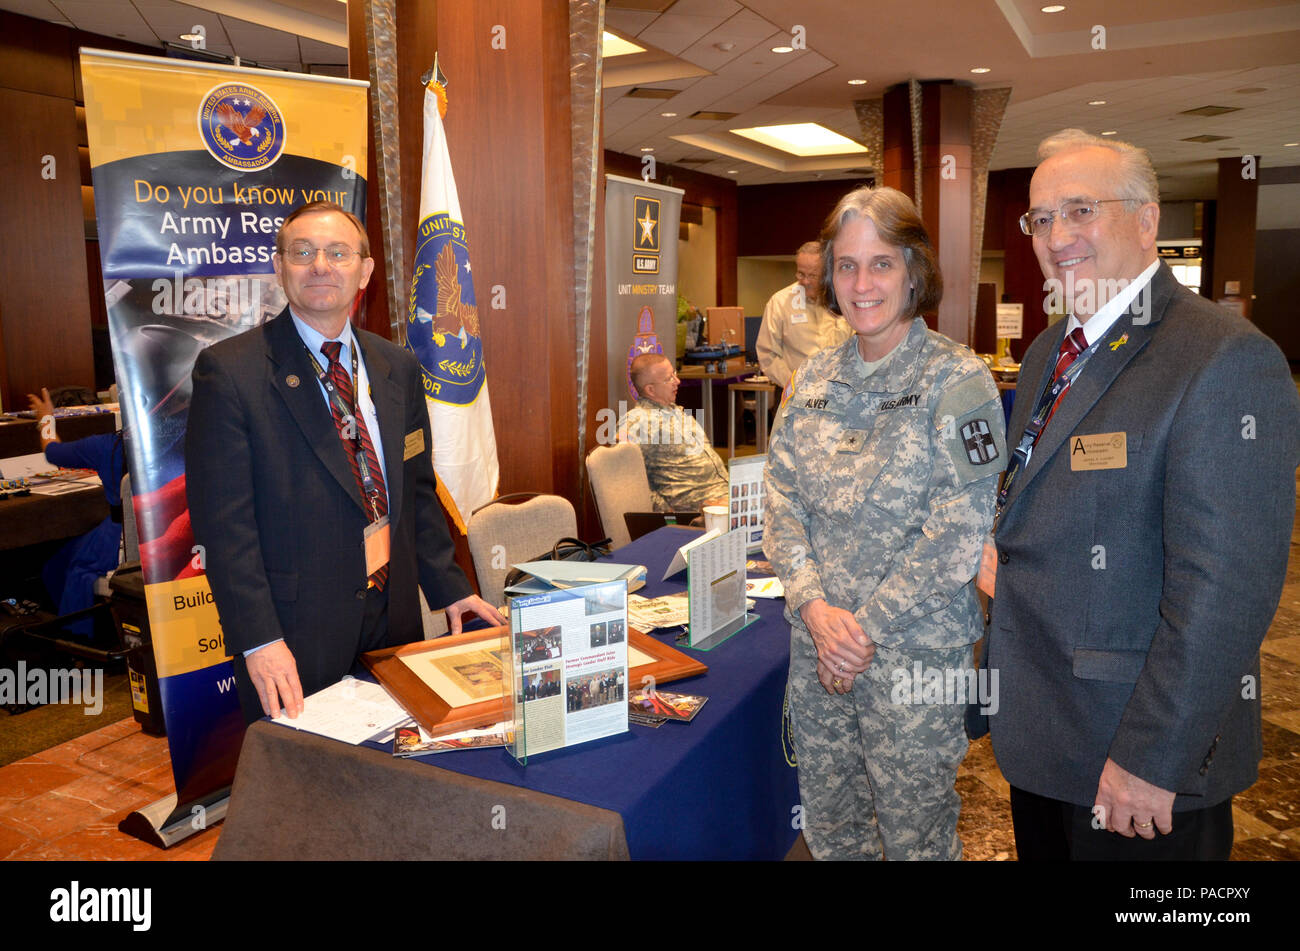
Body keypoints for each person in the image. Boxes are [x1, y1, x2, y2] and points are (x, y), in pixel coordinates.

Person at [979, 129, 1299, 860]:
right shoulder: (1046, 352)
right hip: (1044, 737)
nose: (1058, 236)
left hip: (1135, 763)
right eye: (1041, 217)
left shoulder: (1222, 356)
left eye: (1080, 210)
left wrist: (1155, 758)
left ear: (1147, 219)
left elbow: (1226, 589)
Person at [185, 201, 503, 724]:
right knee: (309, 783)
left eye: (338, 252)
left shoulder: (397, 366)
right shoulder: (229, 372)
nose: (320, 266)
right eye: (302, 252)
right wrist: (259, 639)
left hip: (392, 614)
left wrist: (452, 589)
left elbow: (416, 490)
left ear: (365, 270)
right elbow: (225, 530)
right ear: (279, 266)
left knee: (394, 770)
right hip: (294, 630)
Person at [764, 186, 1006, 860]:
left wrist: (861, 631)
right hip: (819, 654)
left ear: (912, 270)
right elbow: (780, 499)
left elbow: (959, 533)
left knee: (916, 841)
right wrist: (815, 610)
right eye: (846, 265)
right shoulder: (811, 378)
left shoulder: (959, 381)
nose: (862, 283)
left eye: (881, 264)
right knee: (833, 833)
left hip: (915, 663)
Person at [25, 387, 126, 631]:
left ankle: (76, 641)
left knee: (61, 567)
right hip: (167, 536)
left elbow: (52, 451)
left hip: (118, 539)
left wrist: (46, 419)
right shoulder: (184, 441)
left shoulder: (106, 445)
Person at [618, 353, 729, 512]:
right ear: (650, 389)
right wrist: (666, 512)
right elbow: (628, 480)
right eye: (669, 378)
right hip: (698, 510)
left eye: (674, 374)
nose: (677, 382)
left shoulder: (676, 411)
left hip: (725, 497)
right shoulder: (636, 422)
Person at [755, 241, 852, 390]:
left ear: (827, 272)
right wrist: (795, 385)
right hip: (796, 396)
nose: (805, 281)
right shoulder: (780, 302)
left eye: (813, 275)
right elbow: (767, 354)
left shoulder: (843, 299)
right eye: (801, 274)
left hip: (839, 395)